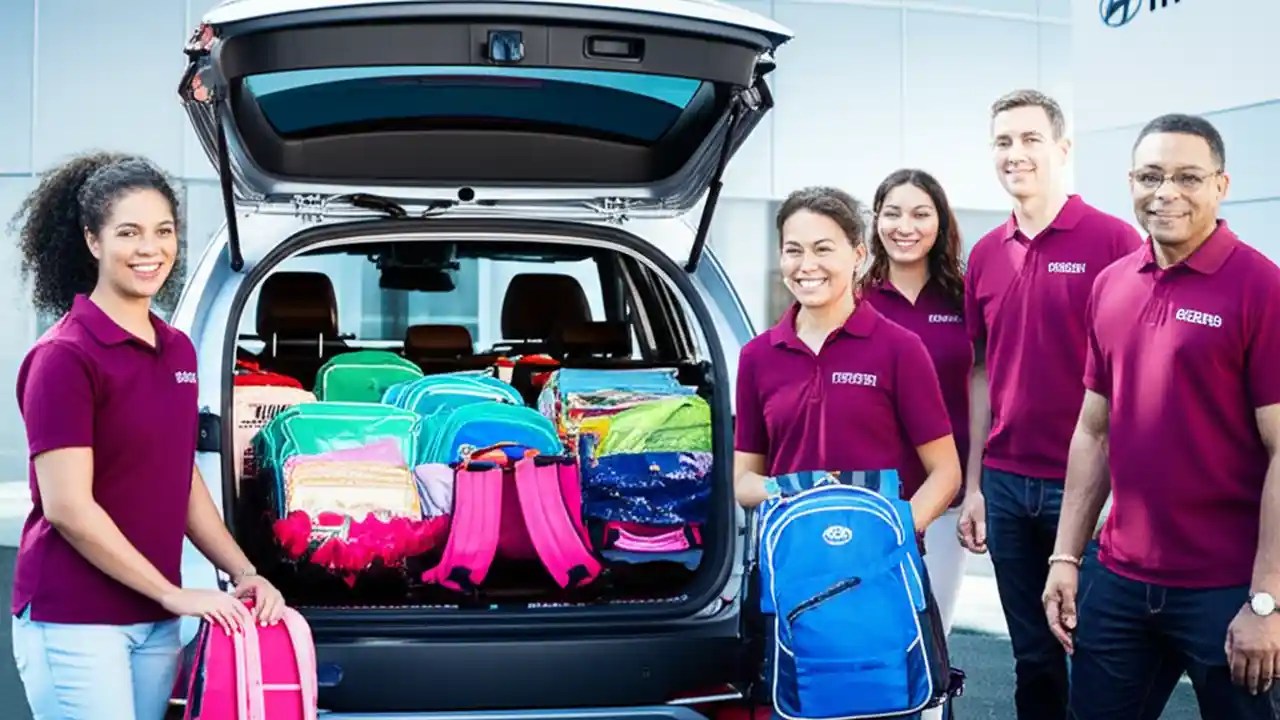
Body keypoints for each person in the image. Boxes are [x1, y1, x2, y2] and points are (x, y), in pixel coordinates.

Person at [9, 152, 288, 720]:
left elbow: (178, 477)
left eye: (163, 231)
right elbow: (68, 508)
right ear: (93, 241)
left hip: (157, 619)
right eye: (128, 232)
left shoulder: (177, 350)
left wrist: (245, 572)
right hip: (76, 620)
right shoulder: (64, 357)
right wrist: (173, 593)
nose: (150, 249)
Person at [1043, 113, 1280, 719]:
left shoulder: (1261, 287)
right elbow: (1094, 430)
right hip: (1121, 579)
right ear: (1130, 182)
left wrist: (1266, 601)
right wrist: (1067, 557)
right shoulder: (1111, 284)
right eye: (1151, 176)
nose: (1166, 192)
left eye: (1187, 178)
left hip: (1226, 586)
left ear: (1220, 186)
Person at [954, 89, 1143, 720]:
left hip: (1087, 488)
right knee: (1032, 657)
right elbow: (980, 372)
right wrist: (976, 484)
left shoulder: (1117, 242)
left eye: (1031, 140)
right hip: (1006, 487)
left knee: (1097, 652)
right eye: (1004, 142)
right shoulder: (983, 255)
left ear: (1063, 149)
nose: (1016, 154)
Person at [860, 168, 972, 636]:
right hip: (866, 497)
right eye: (893, 213)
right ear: (876, 221)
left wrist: (979, 489)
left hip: (945, 496)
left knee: (931, 636)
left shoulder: (966, 297)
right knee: (870, 634)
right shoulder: (852, 297)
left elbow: (987, 385)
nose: (905, 227)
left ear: (941, 224)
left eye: (920, 214)